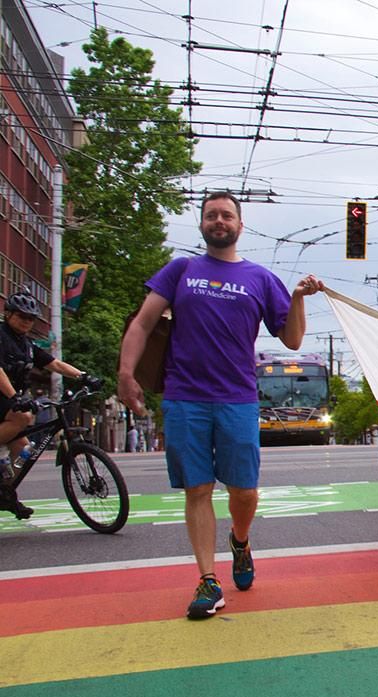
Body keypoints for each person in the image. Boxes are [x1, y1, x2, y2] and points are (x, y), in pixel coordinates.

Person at [118, 191, 326, 618]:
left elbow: (291, 339)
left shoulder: (260, 279)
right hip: (184, 397)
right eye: (211, 214)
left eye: (226, 215)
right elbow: (142, 322)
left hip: (237, 399)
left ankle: (241, 540)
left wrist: (299, 297)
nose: (218, 220)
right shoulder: (181, 270)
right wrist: (126, 374)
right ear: (202, 224)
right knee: (197, 489)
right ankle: (207, 580)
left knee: (244, 492)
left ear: (239, 225)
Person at [0, 292, 100, 519]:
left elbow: (54, 363)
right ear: (8, 315)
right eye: (22, 316)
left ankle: (5, 492)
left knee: (25, 451)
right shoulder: (1, 336)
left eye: (31, 318)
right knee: (23, 418)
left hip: (9, 400)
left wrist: (83, 376)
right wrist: (16, 397)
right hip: (5, 397)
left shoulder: (27, 345)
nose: (27, 321)